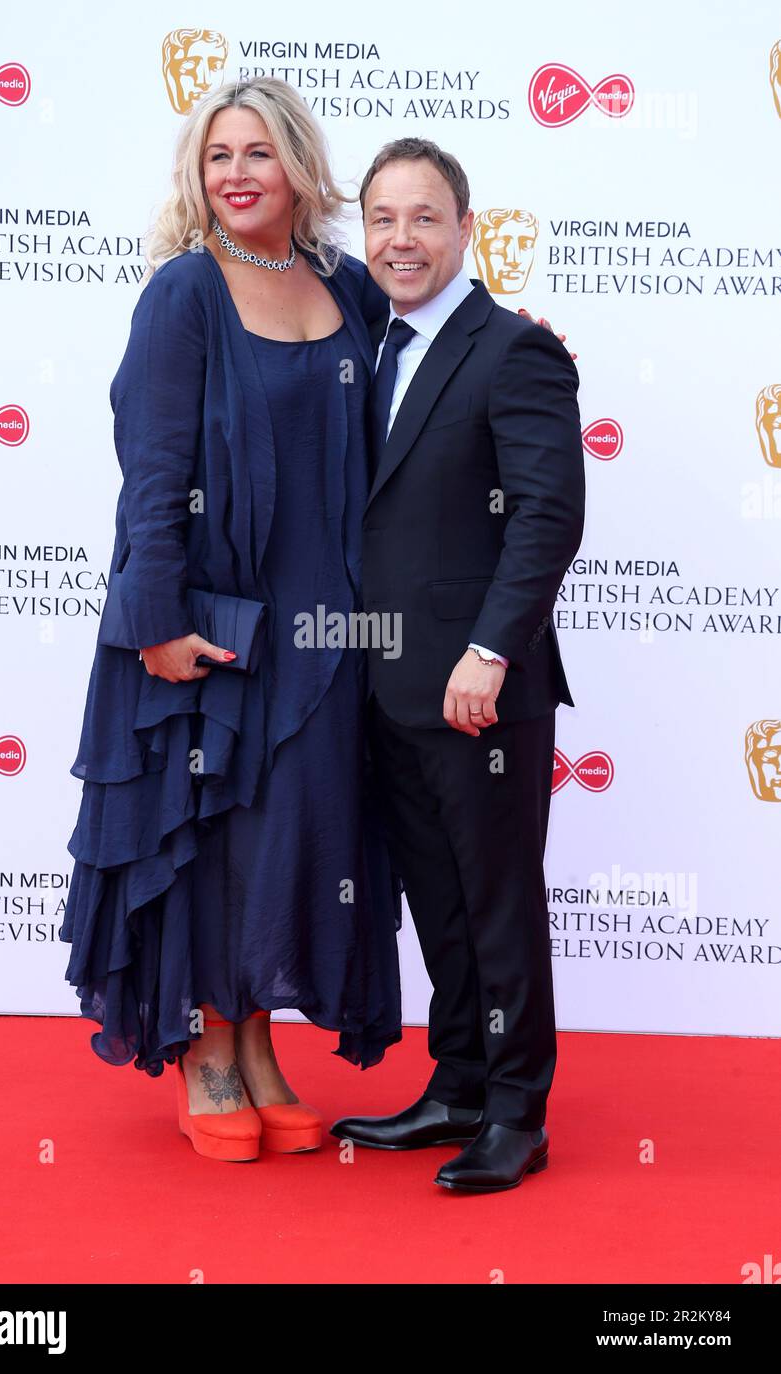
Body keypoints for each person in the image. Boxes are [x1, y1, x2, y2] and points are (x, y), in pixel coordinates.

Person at [59, 77, 402, 1163]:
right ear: (197, 175)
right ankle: (205, 1054)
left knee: (290, 839)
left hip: (329, 631)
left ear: (299, 165)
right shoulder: (182, 294)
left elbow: (421, 393)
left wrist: (524, 349)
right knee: (209, 836)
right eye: (219, 156)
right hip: (212, 623)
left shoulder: (349, 286)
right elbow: (152, 473)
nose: (238, 173)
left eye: (259, 152)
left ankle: (256, 1047)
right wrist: (151, 620)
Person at [331, 138, 586, 1193]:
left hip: (480, 690)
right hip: (385, 681)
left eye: (423, 218)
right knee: (436, 901)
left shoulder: (512, 350)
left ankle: (516, 1114)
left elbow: (545, 514)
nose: (400, 239)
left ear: (465, 228)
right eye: (381, 219)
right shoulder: (371, 345)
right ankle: (459, 1083)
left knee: (495, 903)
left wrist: (488, 651)